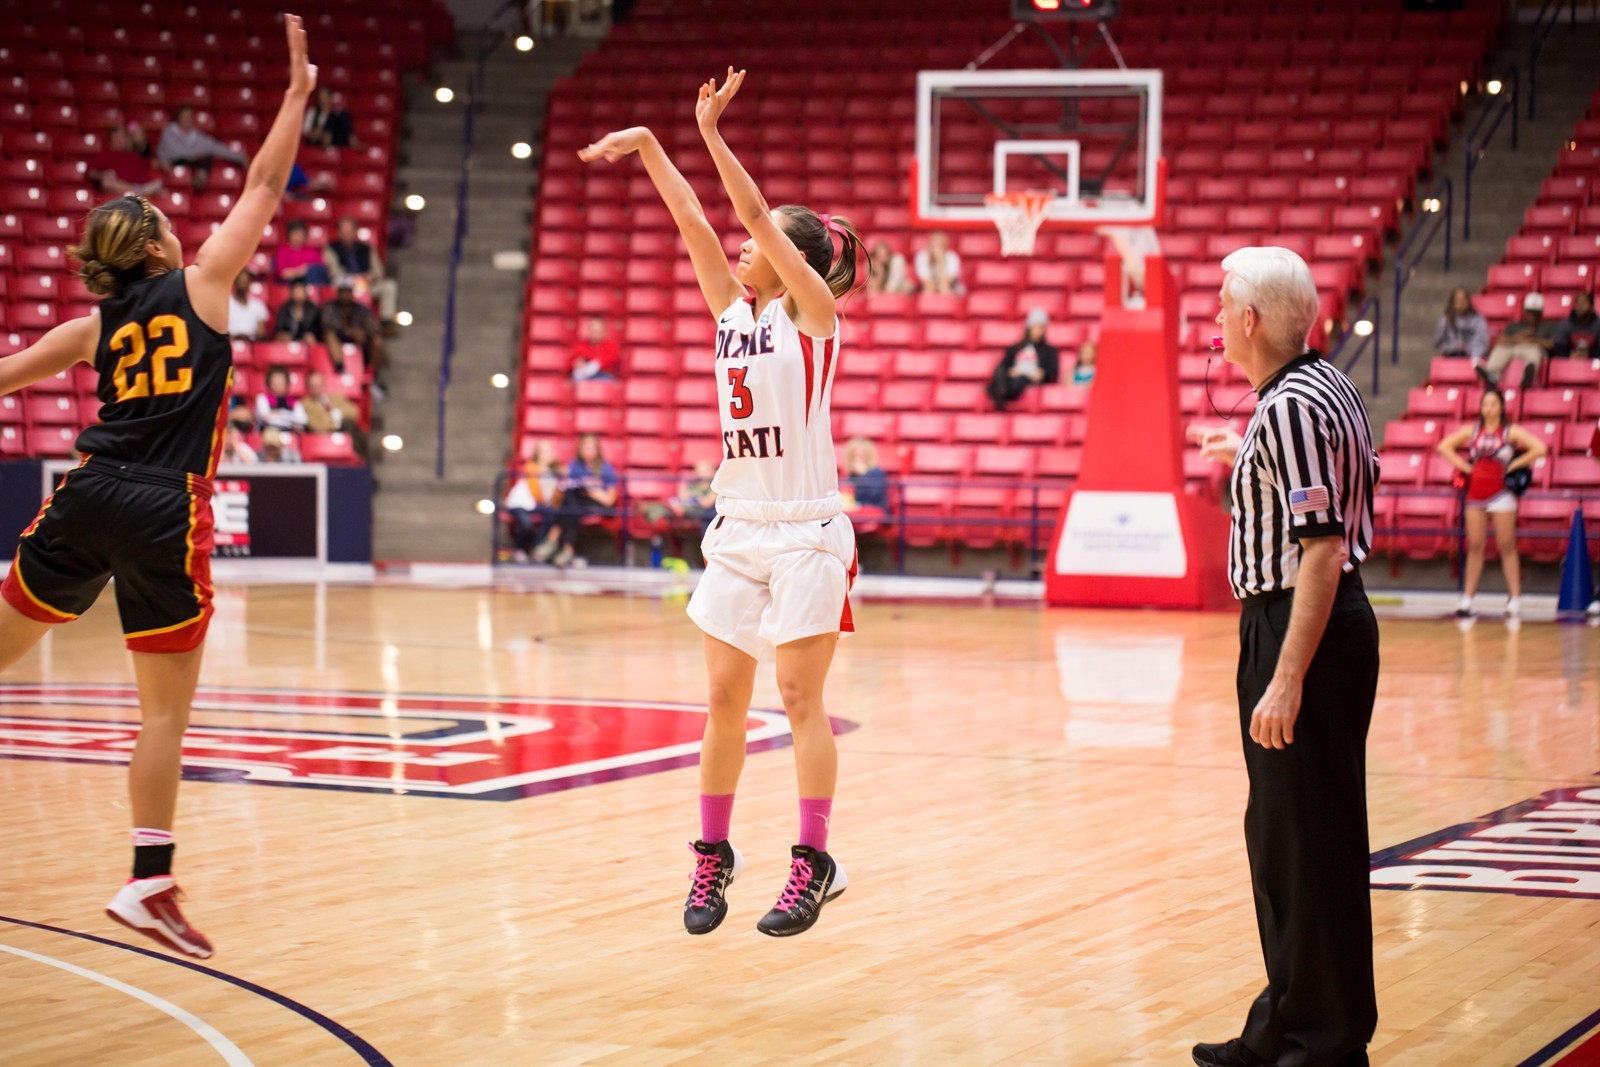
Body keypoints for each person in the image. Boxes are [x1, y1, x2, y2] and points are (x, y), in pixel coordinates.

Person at [0, 16, 315, 960]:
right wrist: (296, 94)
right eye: (173, 226)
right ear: (157, 249)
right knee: (164, 712)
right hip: (167, 504)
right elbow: (264, 183)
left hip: (87, 489)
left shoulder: (93, 327)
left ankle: (150, 881)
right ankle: (146, 878)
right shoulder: (206, 283)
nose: (188, 232)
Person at [580, 66, 864, 938]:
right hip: (739, 526)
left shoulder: (813, 317)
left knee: (799, 696)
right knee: (724, 700)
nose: (744, 249)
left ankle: (815, 862)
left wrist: (709, 135)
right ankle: (714, 853)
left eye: (764, 242)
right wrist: (653, 148)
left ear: (793, 259)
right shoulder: (732, 316)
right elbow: (698, 223)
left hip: (808, 531)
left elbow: (740, 217)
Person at [1187, 246, 1382, 1067]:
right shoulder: (1316, 386)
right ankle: (1290, 1020)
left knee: (1305, 840)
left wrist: (1287, 677)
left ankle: (1325, 1041)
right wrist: (1247, 457)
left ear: (1253, 319)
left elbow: (1322, 547)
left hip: (1302, 627)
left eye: (1226, 306)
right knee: (1286, 837)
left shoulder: (1291, 409)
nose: (1218, 321)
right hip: (1314, 623)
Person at [1436, 389, 1548, 619]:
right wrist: (1466, 467)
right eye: (1485, 404)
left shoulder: (1509, 431)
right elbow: (1443, 446)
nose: (1488, 408)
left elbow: (1540, 448)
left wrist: (1516, 464)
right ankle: (1467, 599)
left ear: (1501, 407)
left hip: (1502, 494)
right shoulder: (1473, 430)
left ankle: (1515, 598)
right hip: (1476, 493)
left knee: (1506, 545)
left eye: (1493, 404)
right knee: (1475, 546)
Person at [545, 432, 618, 567]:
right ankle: (568, 549)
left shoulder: (606, 469)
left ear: (597, 450)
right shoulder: (574, 466)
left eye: (591, 448)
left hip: (596, 504)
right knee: (570, 498)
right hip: (577, 504)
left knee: (569, 504)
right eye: (585, 448)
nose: (588, 451)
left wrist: (592, 491)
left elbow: (610, 500)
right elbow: (561, 478)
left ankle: (553, 539)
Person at [323, 217, 397, 323]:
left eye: (350, 232)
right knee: (336, 283)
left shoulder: (367, 248)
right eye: (344, 232)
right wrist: (353, 279)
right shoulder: (331, 249)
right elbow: (334, 272)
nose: (347, 235)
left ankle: (386, 321)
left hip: (366, 284)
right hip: (344, 286)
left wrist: (368, 277)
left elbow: (378, 271)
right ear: (338, 233)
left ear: (355, 232)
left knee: (389, 285)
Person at [157, 106, 248, 191]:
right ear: (178, 118)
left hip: (189, 162)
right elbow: (173, 152)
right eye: (184, 117)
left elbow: (216, 147)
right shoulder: (169, 132)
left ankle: (199, 182)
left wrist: (240, 157)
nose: (186, 120)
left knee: (206, 157)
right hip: (170, 163)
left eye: (189, 117)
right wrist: (193, 155)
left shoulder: (196, 136)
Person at [987, 308, 1060, 411]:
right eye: (1036, 326)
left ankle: (1000, 394)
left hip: (1030, 380)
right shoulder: (1015, 348)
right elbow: (1005, 366)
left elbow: (1053, 373)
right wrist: (1011, 371)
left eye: (1041, 326)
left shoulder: (1050, 351)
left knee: (1020, 379)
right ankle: (1001, 391)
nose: (1039, 329)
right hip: (1013, 378)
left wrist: (1042, 374)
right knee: (999, 371)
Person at [503, 441, 565, 562]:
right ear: (538, 454)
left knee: (552, 515)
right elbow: (536, 492)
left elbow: (554, 496)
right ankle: (518, 548)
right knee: (526, 524)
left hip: (536, 505)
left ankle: (537, 548)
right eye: (544, 452)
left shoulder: (553, 472)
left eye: (549, 451)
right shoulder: (531, 467)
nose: (547, 454)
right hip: (520, 503)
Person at [1485, 292, 1557, 389]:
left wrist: (1533, 340)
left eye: (1536, 313)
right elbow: (1499, 340)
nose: (1532, 316)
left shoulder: (1549, 326)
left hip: (1534, 349)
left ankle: (1528, 375)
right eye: (1530, 312)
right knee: (1500, 349)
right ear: (1524, 312)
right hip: (1512, 349)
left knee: (1534, 350)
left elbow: (1552, 344)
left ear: (1541, 313)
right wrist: (1518, 339)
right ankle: (1492, 374)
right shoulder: (1514, 325)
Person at [321, 277, 384, 378]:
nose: (345, 295)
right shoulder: (330, 307)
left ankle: (371, 373)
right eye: (343, 291)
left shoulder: (361, 309)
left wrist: (367, 334)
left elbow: (372, 326)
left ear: (352, 292)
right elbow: (327, 324)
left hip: (360, 341)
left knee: (377, 341)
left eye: (348, 291)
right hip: (338, 338)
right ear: (338, 292)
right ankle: (340, 368)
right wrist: (349, 331)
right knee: (330, 334)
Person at [88, 125, 166, 197]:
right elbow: (91, 173)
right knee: (106, 181)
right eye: (123, 134)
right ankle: (138, 193)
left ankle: (138, 192)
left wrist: (162, 164)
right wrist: (101, 174)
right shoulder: (105, 154)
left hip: (140, 186)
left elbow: (150, 163)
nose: (127, 137)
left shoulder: (134, 155)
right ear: (114, 136)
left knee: (162, 189)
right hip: (119, 189)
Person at [1433, 287, 1489, 364]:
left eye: (1463, 300)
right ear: (1452, 302)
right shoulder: (1445, 320)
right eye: (1458, 300)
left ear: (1468, 302)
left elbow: (1482, 341)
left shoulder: (1478, 319)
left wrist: (1471, 352)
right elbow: (1439, 343)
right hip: (1452, 356)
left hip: (1473, 356)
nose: (1461, 302)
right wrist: (1453, 347)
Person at [272, 219, 329, 286]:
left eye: (301, 234)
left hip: (312, 285)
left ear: (305, 236)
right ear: (289, 235)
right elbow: (284, 274)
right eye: (295, 234)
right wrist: (302, 271)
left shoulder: (313, 251)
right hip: (289, 285)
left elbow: (322, 270)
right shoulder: (282, 251)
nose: (298, 237)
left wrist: (307, 270)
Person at [302, 86, 358, 150]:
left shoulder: (338, 114)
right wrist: (318, 133)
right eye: (321, 97)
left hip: (335, 140)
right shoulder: (312, 112)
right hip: (316, 142)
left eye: (326, 96)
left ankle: (351, 141)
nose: (324, 100)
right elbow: (305, 131)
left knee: (342, 117)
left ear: (331, 97)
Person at [841, 436, 888, 513]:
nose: (857, 460)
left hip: (875, 509)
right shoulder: (851, 475)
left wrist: (863, 475)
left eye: (861, 457)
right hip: (856, 510)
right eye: (855, 457)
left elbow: (874, 496)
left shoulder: (877, 473)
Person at [254, 365, 308, 432]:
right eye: (275, 382)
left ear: (287, 383)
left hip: (290, 434)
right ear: (269, 383)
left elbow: (302, 421)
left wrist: (278, 413)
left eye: (281, 382)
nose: (278, 385)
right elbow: (265, 418)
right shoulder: (262, 398)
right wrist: (290, 419)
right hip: (268, 435)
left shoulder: (295, 402)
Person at [570, 316, 620, 381]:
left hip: (604, 376)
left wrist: (596, 364)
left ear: (603, 331)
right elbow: (574, 360)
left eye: (597, 331)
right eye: (593, 330)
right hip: (584, 377)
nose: (595, 334)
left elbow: (612, 360)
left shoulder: (611, 346)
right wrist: (578, 362)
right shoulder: (581, 345)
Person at [1552, 289, 1598, 360]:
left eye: (1584, 303)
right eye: (1577, 303)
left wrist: (1589, 355)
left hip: (1593, 363)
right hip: (1569, 362)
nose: (1580, 306)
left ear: (1591, 307)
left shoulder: (1598, 325)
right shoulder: (1564, 325)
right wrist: (1569, 355)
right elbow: (1558, 349)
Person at [913, 229, 962, 294]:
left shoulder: (952, 257)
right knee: (928, 289)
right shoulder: (922, 256)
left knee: (944, 287)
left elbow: (947, 281)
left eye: (939, 242)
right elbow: (925, 281)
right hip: (929, 286)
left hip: (951, 286)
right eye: (934, 241)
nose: (936, 244)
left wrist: (940, 261)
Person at [226, 270, 271, 341]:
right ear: (234, 283)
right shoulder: (226, 304)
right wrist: (236, 337)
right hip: (230, 343)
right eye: (240, 281)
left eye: (246, 282)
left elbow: (261, 333)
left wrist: (248, 338)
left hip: (252, 344)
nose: (243, 285)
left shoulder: (258, 305)